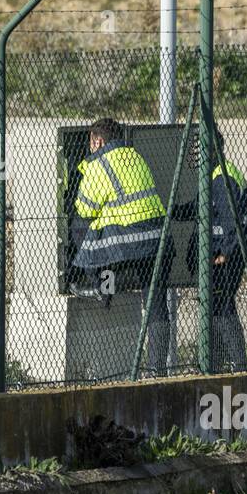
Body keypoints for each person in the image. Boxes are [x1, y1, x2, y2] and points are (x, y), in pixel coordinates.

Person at [68, 117, 173, 375]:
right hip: (157, 239)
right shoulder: (134, 156)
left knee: (80, 226)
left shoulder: (98, 164)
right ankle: (158, 370)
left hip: (125, 243)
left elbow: (85, 208)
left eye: (91, 143)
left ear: (98, 141)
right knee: (157, 305)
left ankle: (104, 287)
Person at [206, 128, 247, 372]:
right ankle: (217, 364)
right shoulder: (218, 174)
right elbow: (201, 207)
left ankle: (239, 366)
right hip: (232, 251)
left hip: (230, 254)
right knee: (216, 305)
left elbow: (231, 220)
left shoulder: (221, 178)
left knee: (223, 305)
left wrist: (224, 253)